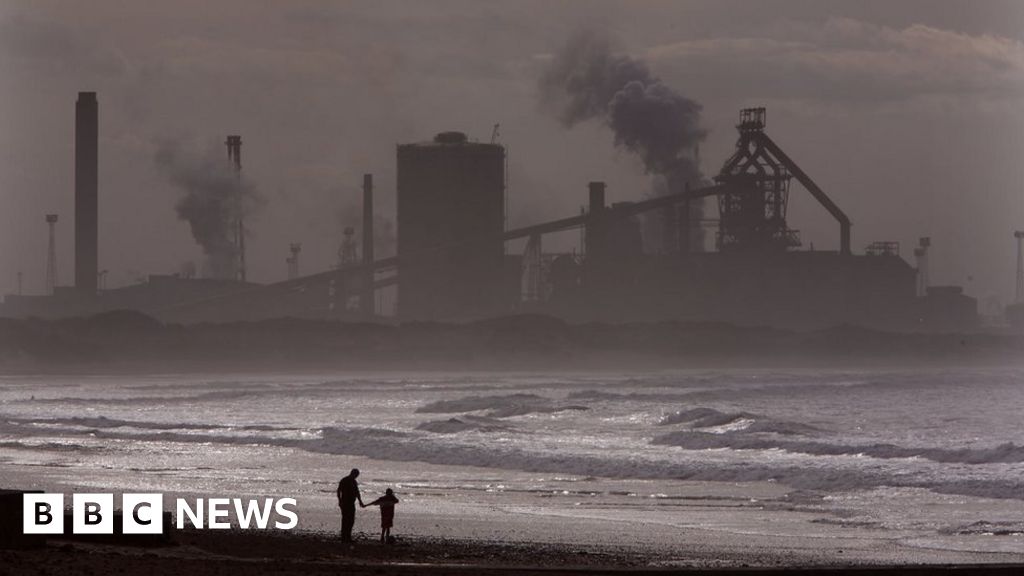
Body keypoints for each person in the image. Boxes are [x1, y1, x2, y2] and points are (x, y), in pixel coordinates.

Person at [336, 468, 364, 542]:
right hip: (345, 502)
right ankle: (344, 537)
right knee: (345, 520)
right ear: (352, 473)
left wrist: (360, 501)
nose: (356, 477)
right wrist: (339, 501)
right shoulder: (344, 480)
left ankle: (348, 536)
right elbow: (339, 491)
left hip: (351, 503)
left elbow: (357, 492)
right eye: (356, 475)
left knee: (351, 520)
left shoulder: (354, 482)